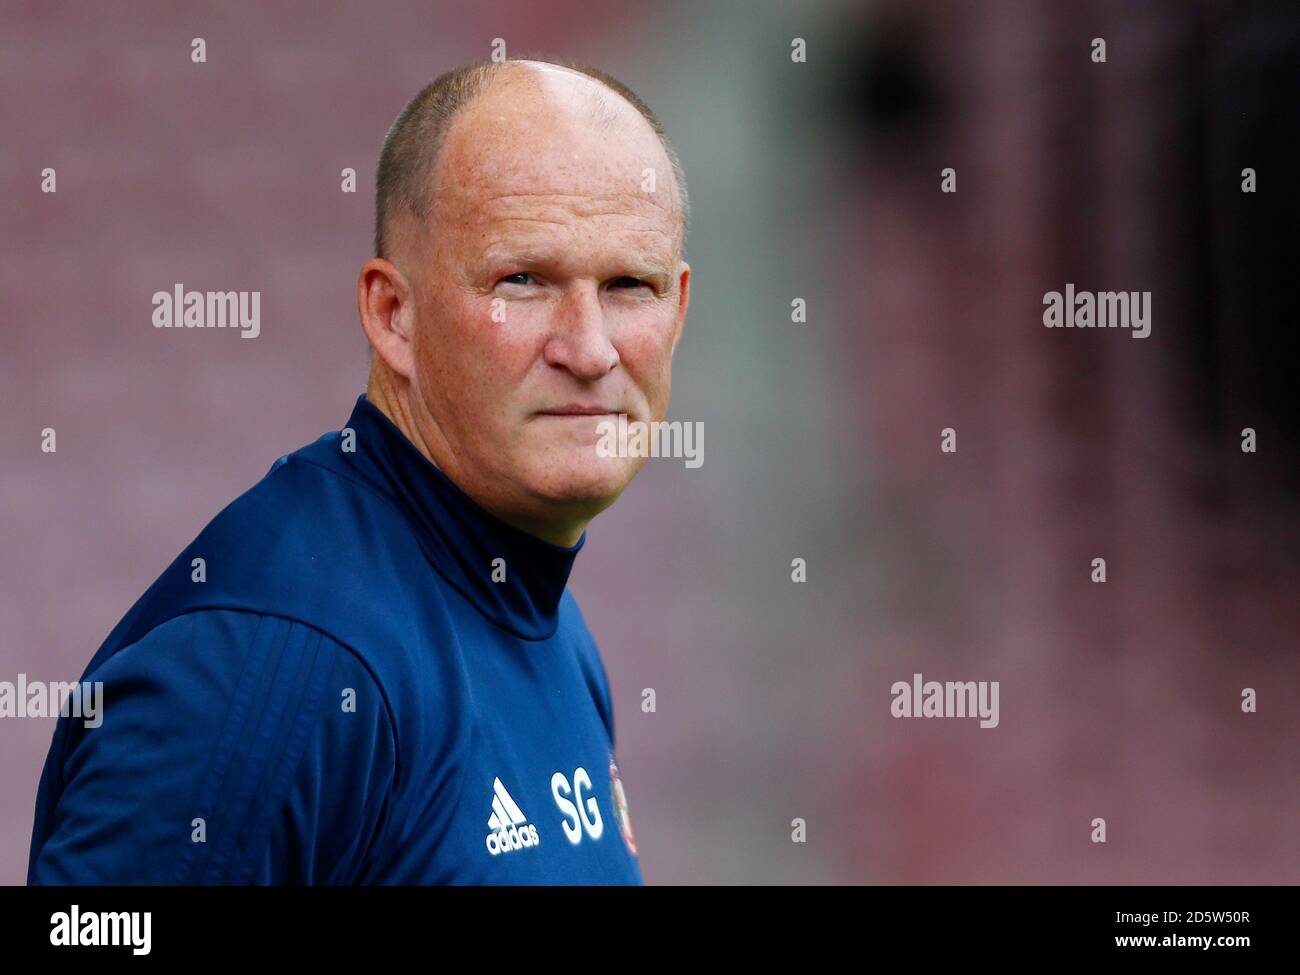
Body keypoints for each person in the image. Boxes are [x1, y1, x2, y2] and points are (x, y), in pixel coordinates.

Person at [27, 56, 691, 884]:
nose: (590, 348)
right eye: (522, 280)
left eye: (631, 285)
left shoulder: (541, 612)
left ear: (680, 306)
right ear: (393, 314)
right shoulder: (273, 663)